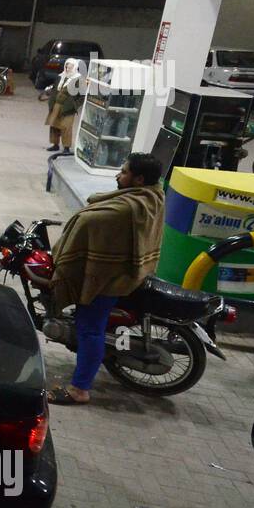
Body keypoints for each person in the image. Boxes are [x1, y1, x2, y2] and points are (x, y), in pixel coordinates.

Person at [47, 152, 165, 405]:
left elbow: (90, 221)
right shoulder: (153, 194)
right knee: (90, 326)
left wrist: (80, 225)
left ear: (139, 179)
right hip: (129, 273)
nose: (118, 175)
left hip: (110, 279)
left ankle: (80, 389)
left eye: (123, 172)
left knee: (90, 329)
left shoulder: (128, 209)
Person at [44, 58, 82, 151]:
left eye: (70, 67)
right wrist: (51, 102)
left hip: (68, 107)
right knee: (54, 125)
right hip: (57, 105)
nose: (68, 69)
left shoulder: (78, 79)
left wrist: (74, 105)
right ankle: (55, 144)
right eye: (67, 67)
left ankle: (66, 147)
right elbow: (54, 90)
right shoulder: (60, 77)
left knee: (66, 127)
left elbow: (82, 96)